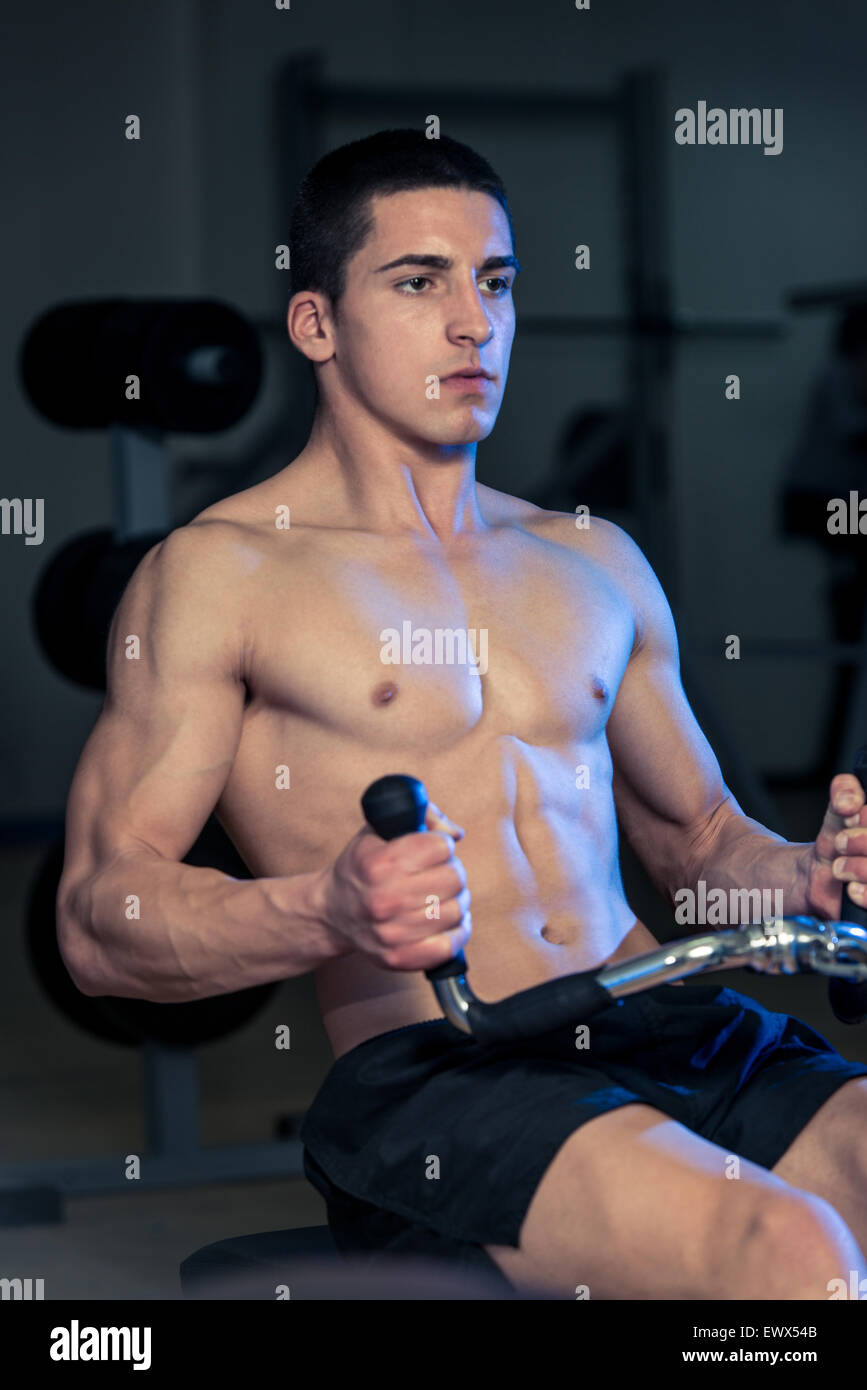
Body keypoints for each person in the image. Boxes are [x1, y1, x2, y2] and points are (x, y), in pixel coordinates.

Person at [58, 129, 867, 1300]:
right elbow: (97, 914)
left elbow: (698, 848)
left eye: (495, 282)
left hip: (667, 1019)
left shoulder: (591, 557)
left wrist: (807, 877)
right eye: (418, 281)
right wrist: (323, 906)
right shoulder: (220, 575)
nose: (472, 322)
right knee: (793, 1257)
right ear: (317, 325)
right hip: (450, 1071)